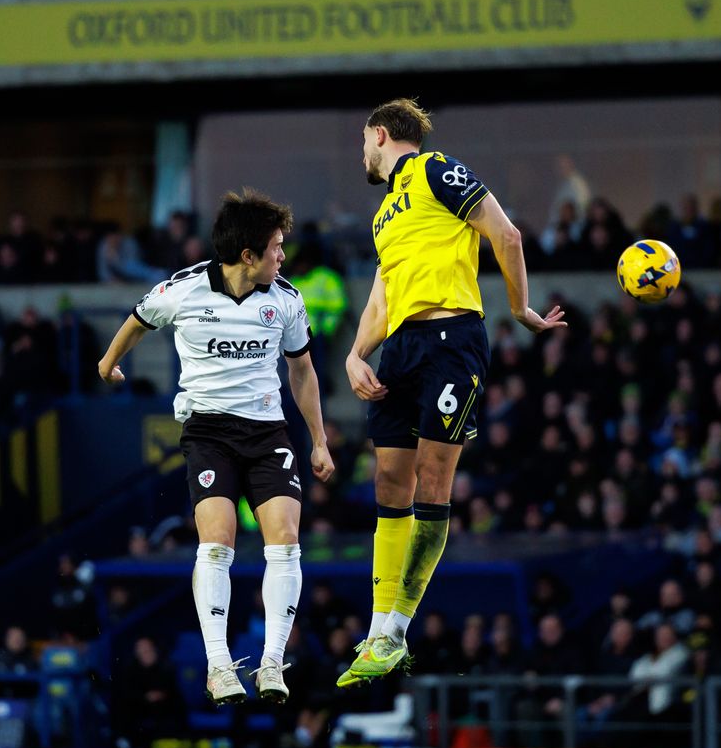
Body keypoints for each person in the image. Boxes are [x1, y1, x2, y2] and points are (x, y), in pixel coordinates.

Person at [341, 97, 565, 686]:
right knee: (389, 481)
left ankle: (396, 629)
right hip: (402, 349)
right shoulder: (385, 215)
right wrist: (354, 355)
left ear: (383, 135)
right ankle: (375, 630)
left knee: (433, 482)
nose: (361, 152)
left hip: (451, 340)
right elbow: (381, 298)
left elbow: (506, 234)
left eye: (364, 140)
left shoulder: (439, 169)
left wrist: (519, 309)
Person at [98, 189, 333, 705]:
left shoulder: (285, 300)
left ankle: (272, 662)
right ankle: (220, 666)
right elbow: (139, 319)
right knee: (219, 540)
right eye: (275, 247)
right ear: (247, 255)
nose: (282, 256)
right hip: (208, 433)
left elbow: (302, 369)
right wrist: (108, 361)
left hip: (267, 432)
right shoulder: (183, 290)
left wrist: (318, 439)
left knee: (286, 540)